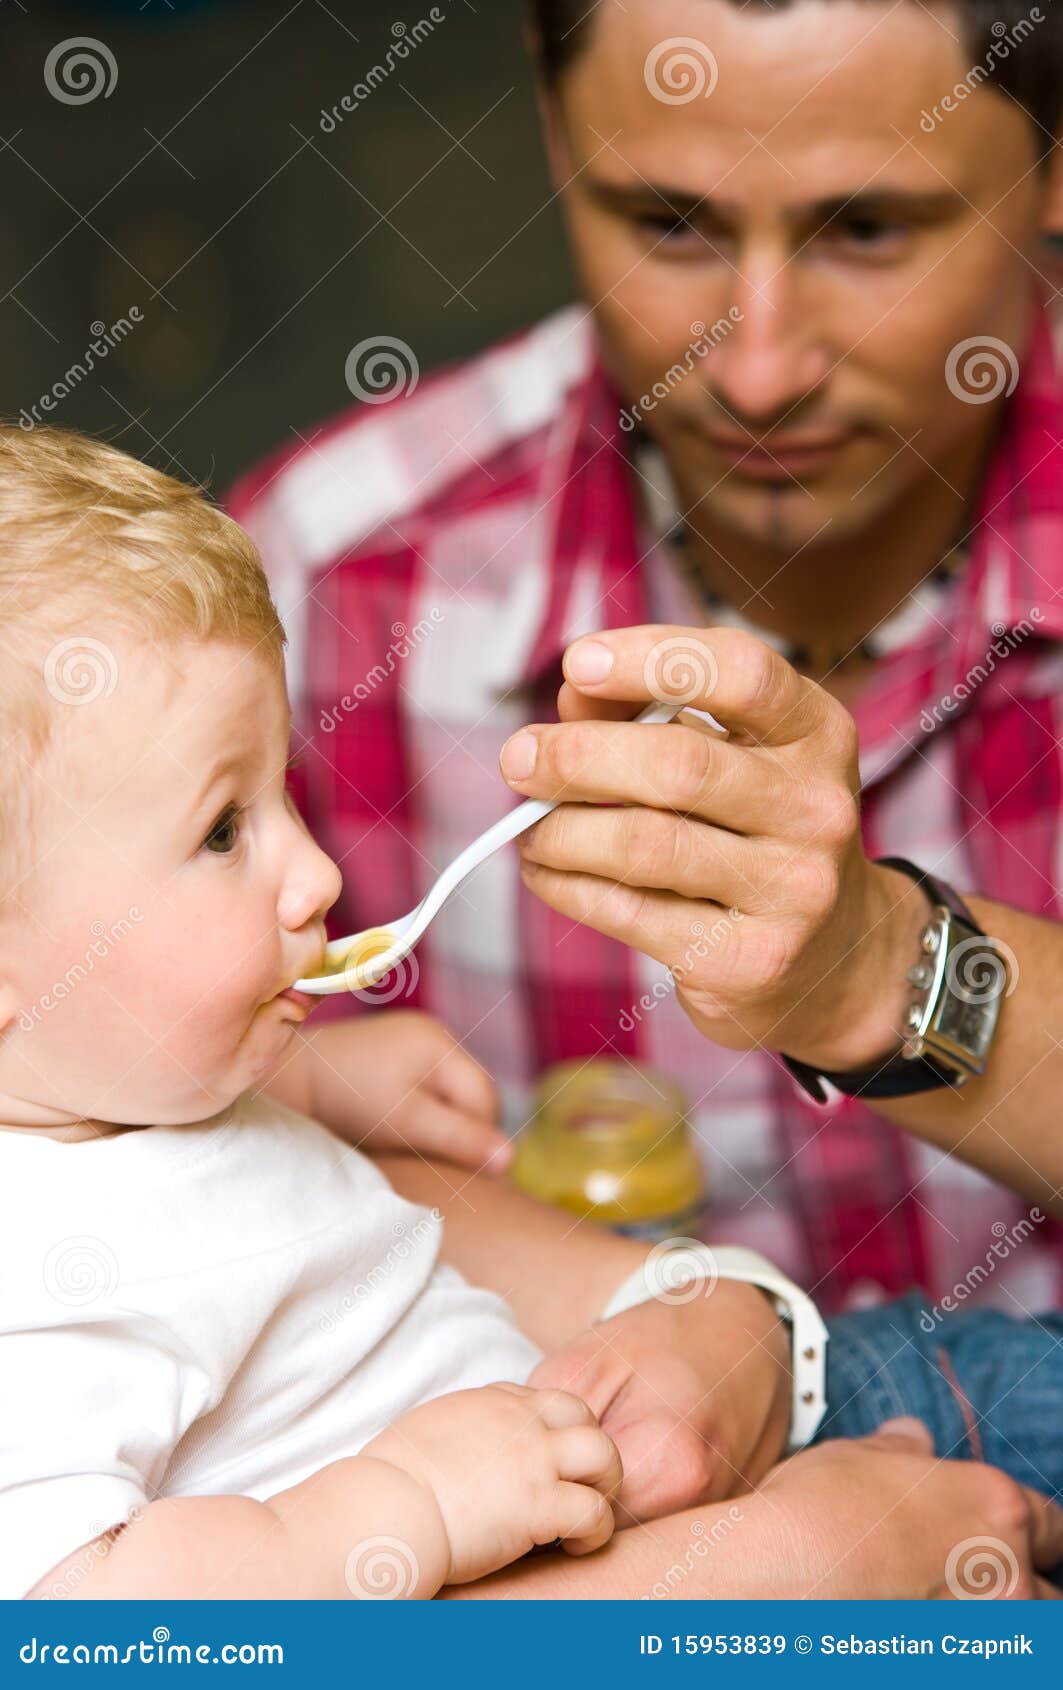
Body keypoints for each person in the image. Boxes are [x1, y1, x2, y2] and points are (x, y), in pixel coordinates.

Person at [4, 425, 1063, 1604]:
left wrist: (319, 1082)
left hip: (751, 1410)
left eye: (278, 795)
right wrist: (409, 1507)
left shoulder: (100, 1087)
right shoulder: (34, 1292)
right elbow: (84, 1633)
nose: (316, 874)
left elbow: (155, 1158)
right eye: (219, 831)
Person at [228, 0, 1063, 1315]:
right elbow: (187, 1178)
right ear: (556, 131)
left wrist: (874, 970)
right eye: (669, 223)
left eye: (867, 231)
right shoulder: (314, 586)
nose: (756, 371)